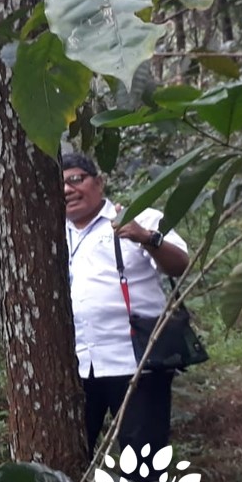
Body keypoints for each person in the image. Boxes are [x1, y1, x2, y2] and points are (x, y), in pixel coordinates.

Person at [62, 153, 190, 459]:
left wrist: (145, 237)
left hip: (137, 364)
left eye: (75, 179)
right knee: (73, 453)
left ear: (99, 182)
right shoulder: (53, 234)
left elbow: (180, 264)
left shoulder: (139, 217)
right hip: (79, 366)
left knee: (143, 461)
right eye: (60, 184)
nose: (66, 189)